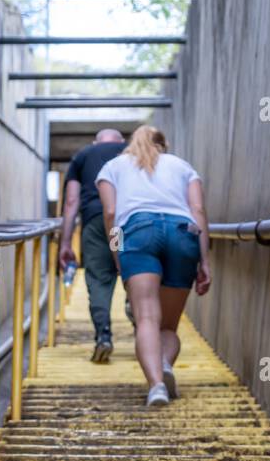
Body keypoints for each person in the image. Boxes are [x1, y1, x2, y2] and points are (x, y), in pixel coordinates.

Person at [96, 126, 211, 407]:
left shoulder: (112, 167)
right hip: (182, 233)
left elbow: (111, 215)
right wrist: (204, 260)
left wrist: (117, 255)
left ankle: (156, 385)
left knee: (147, 318)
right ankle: (165, 364)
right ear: (164, 145)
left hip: (138, 232)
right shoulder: (183, 166)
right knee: (168, 327)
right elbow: (198, 212)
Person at [59, 128, 126, 362]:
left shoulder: (83, 155)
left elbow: (71, 201)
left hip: (96, 224)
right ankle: (143, 326)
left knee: (98, 279)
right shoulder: (131, 152)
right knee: (134, 272)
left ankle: (104, 336)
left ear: (95, 141)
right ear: (121, 141)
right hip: (123, 225)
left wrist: (65, 243)